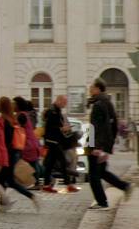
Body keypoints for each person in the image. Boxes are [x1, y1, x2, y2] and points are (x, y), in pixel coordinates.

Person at [86, 79, 134, 210]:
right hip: (101, 143)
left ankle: (102, 202)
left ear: (97, 89)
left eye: (91, 87)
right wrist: (108, 145)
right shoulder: (107, 103)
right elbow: (113, 126)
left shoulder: (98, 104)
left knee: (93, 175)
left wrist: (96, 147)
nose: (89, 89)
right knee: (102, 172)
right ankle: (124, 186)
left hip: (95, 143)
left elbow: (96, 127)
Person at [41, 95, 79, 194]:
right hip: (53, 140)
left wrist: (64, 127)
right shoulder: (52, 111)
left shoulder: (56, 110)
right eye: (64, 102)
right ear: (59, 100)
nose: (65, 105)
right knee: (62, 161)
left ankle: (46, 185)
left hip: (54, 140)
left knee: (50, 164)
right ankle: (68, 185)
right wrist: (62, 128)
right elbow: (50, 127)